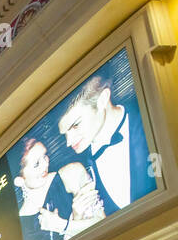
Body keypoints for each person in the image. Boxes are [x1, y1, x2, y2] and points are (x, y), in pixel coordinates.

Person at [57, 71, 154, 216]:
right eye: (64, 133)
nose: (69, 142)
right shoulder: (78, 167)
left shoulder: (149, 115)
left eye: (75, 125)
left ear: (102, 99)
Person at [14, 137, 103, 240]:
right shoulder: (18, 226)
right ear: (20, 180)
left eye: (44, 156)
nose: (45, 164)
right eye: (36, 164)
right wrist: (75, 218)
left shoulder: (71, 173)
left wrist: (62, 225)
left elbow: (104, 224)